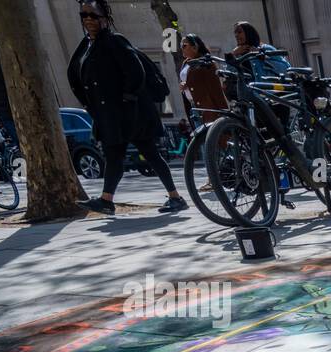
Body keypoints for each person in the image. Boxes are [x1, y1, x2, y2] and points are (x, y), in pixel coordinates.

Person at [66, 1, 184, 215]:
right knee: (114, 156)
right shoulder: (87, 46)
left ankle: (176, 197)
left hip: (131, 114)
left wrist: (127, 99)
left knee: (150, 154)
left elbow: (135, 72)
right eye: (84, 15)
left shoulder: (114, 41)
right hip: (109, 115)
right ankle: (106, 200)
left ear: (104, 18)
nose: (88, 19)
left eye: (93, 15)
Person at [178, 34, 227, 125]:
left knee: (209, 137)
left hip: (206, 107)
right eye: (180, 46)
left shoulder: (207, 63)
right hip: (192, 107)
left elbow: (216, 89)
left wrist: (223, 110)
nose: (182, 48)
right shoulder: (186, 62)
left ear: (195, 47)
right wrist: (182, 85)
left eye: (184, 46)